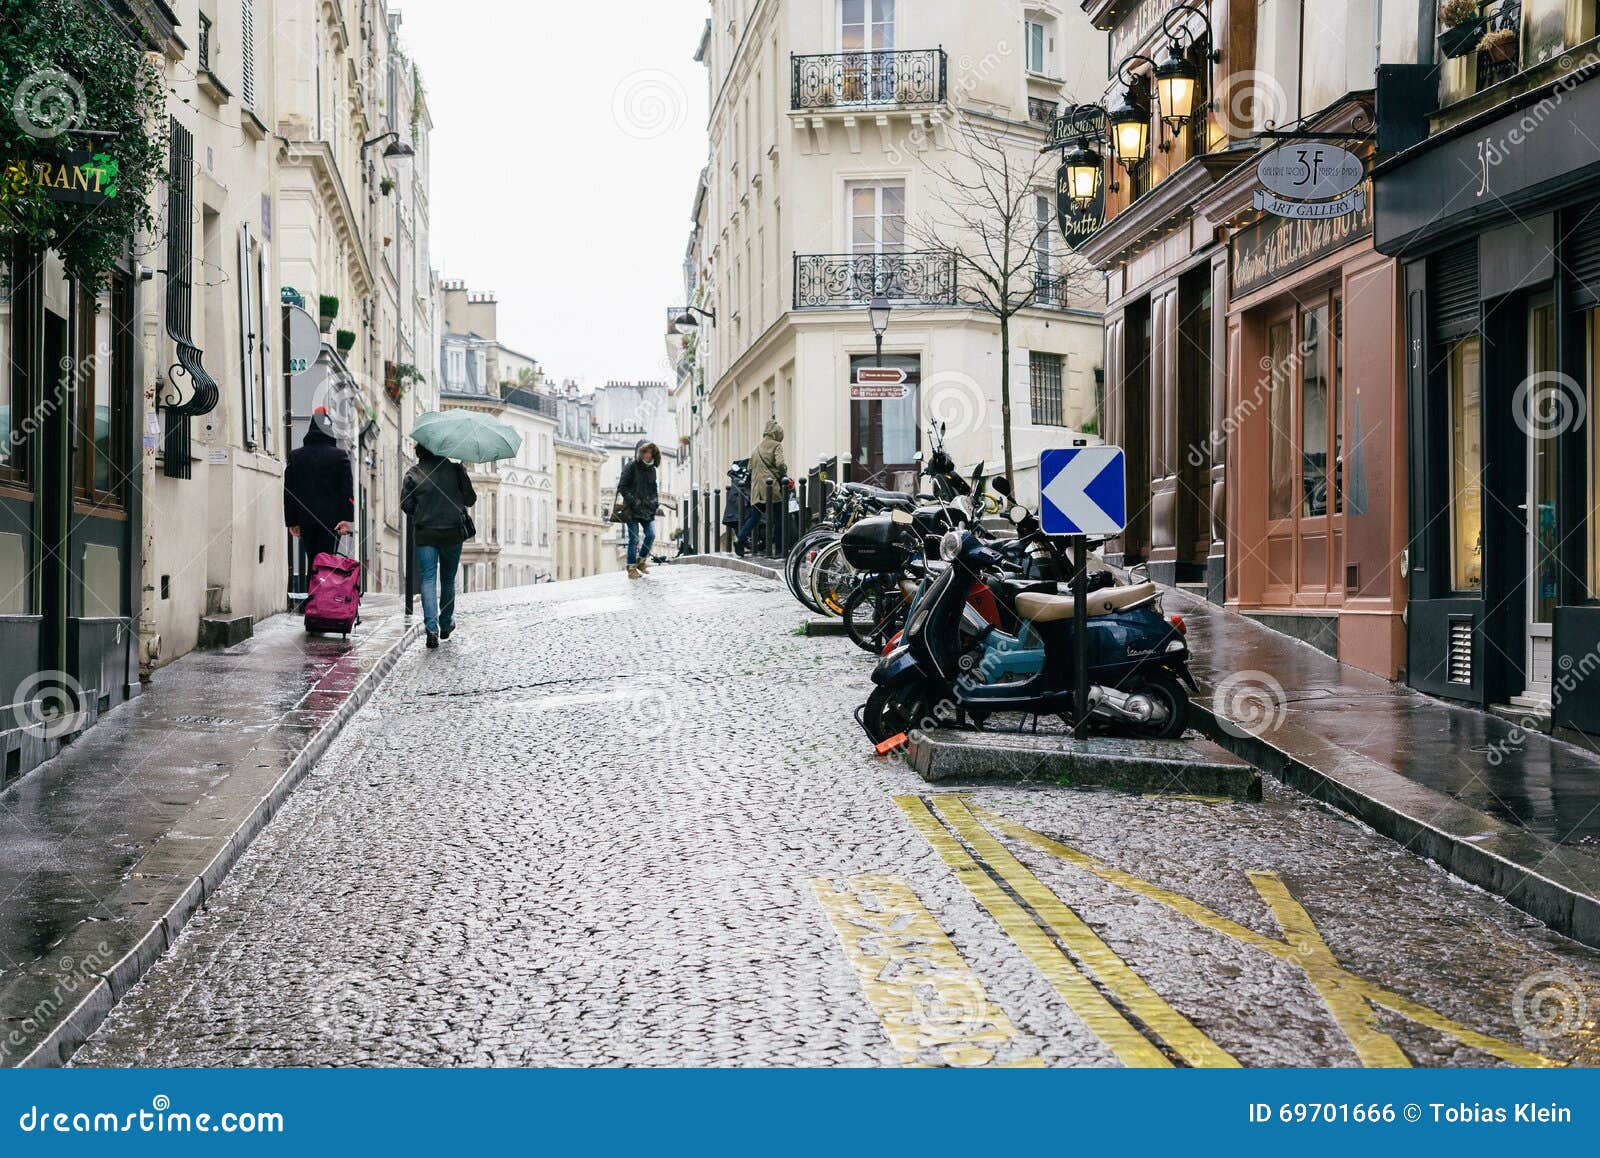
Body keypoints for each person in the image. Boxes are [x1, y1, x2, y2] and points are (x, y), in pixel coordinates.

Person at [401, 443, 477, 649]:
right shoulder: (454, 470)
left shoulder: (414, 473)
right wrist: (462, 473)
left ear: (419, 451)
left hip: (426, 532)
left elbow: (406, 505)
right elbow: (471, 499)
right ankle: (445, 623)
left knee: (428, 579)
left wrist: (423, 511)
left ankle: (431, 629)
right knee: (447, 580)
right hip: (453, 531)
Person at [284, 407, 355, 575]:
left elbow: (289, 492)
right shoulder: (340, 456)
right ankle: (324, 598)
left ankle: (314, 598)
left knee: (313, 561)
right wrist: (346, 519)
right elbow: (347, 490)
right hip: (333, 522)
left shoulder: (296, 456)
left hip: (306, 520)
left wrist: (292, 521)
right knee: (327, 562)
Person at [736, 419, 787, 557]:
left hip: (756, 490)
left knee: (754, 517)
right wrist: (783, 474)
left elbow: (750, 467)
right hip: (771, 489)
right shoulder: (776, 445)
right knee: (779, 518)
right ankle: (779, 550)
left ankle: (740, 538)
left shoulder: (756, 448)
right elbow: (781, 464)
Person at [618, 440, 661, 579]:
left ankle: (641, 561)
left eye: (651, 452)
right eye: (646, 452)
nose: (648, 455)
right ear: (640, 453)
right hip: (632, 509)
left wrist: (655, 503)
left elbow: (654, 489)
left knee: (651, 534)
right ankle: (631, 569)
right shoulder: (631, 466)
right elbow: (622, 487)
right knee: (634, 538)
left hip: (647, 509)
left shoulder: (652, 469)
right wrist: (633, 501)